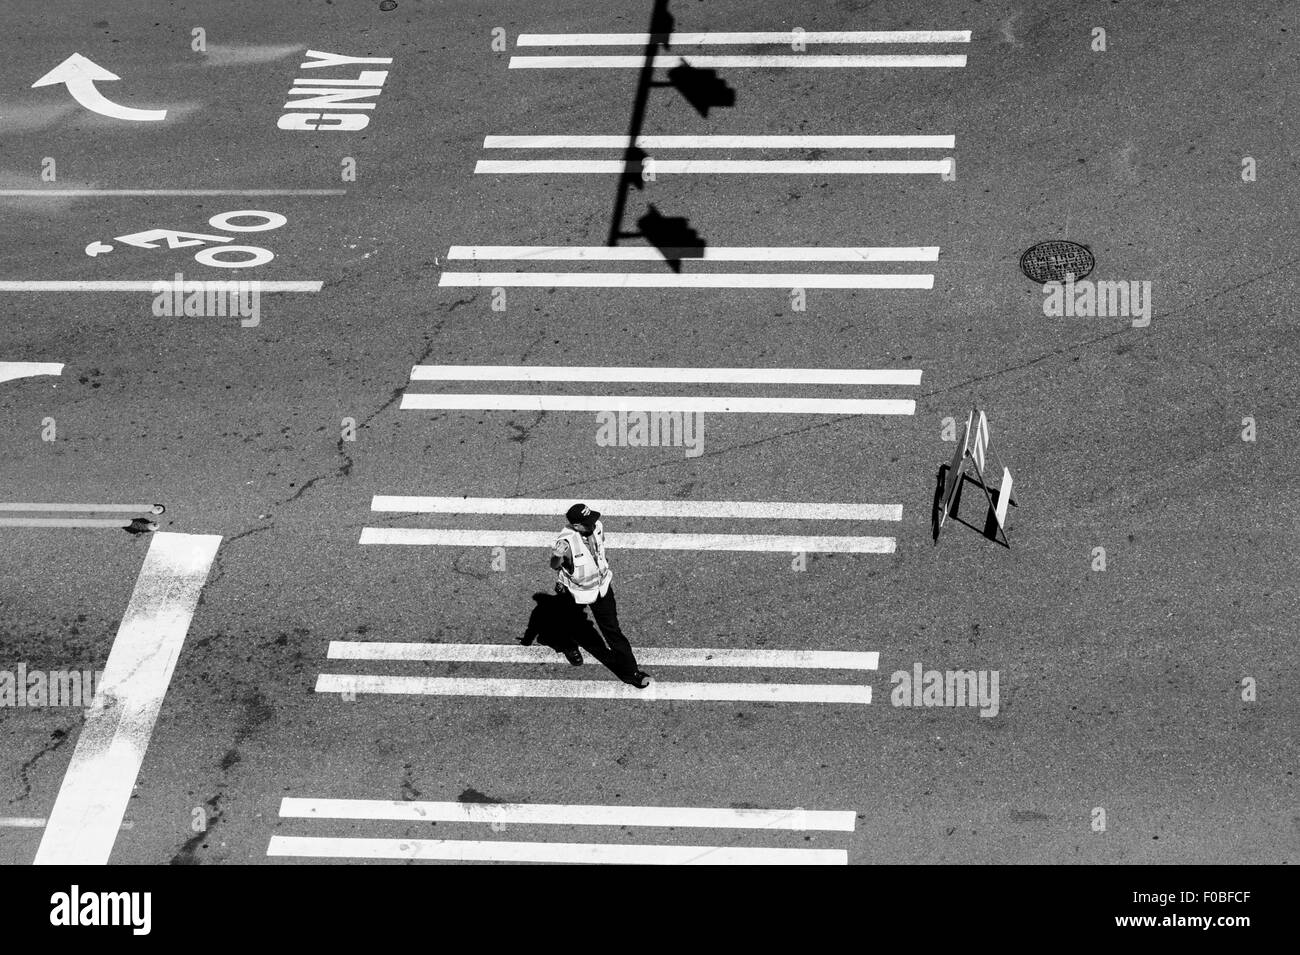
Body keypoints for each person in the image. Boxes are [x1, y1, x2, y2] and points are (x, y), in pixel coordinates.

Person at [549, 503, 651, 688]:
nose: (594, 523)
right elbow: (555, 565)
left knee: (613, 631)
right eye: (588, 522)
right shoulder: (566, 541)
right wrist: (556, 556)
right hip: (576, 592)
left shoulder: (597, 527)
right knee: (568, 621)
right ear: (577, 526)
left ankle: (631, 672)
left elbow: (599, 552)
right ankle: (568, 646)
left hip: (601, 588)